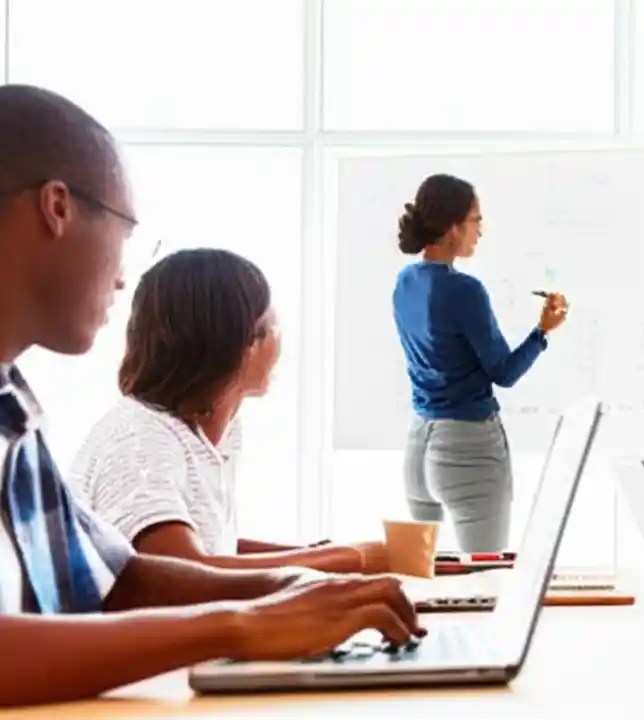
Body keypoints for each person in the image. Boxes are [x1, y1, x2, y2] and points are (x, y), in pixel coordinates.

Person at [0, 84, 418, 708]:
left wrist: (293, 590)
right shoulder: (133, 435)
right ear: (57, 208)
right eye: (124, 231)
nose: (121, 274)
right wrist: (240, 624)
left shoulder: (15, 413)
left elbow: (115, 578)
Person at [69, 248, 388, 573]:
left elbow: (217, 549)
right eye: (273, 326)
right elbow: (185, 573)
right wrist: (351, 559)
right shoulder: (139, 439)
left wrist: (324, 553)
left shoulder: (215, 433)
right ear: (241, 344)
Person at [394, 173, 568, 552]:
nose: (480, 230)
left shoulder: (405, 281)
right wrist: (542, 332)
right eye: (476, 219)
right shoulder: (463, 289)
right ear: (453, 226)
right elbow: (504, 373)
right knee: (486, 577)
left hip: (419, 445)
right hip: (466, 448)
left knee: (425, 581)